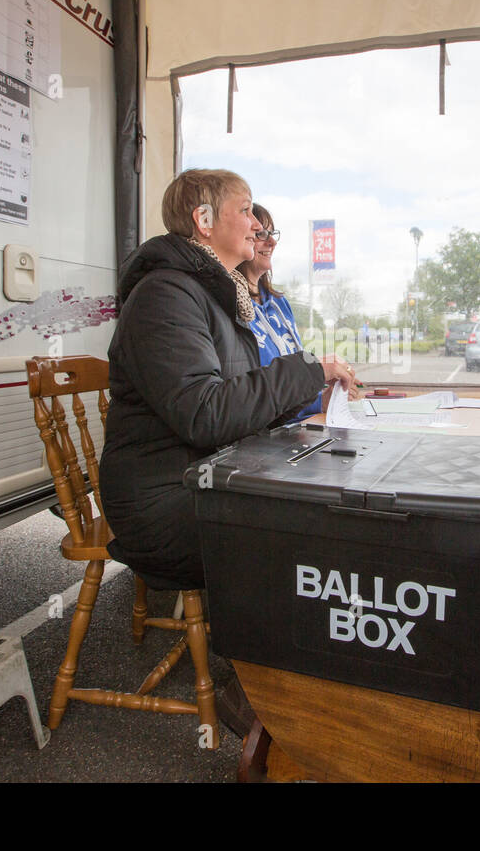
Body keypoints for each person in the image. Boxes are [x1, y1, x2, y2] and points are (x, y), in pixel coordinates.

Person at [100, 169, 358, 589]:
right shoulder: (165, 296)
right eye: (245, 210)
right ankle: (267, 652)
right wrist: (307, 370)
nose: (257, 225)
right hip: (165, 501)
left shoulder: (216, 297)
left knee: (338, 496)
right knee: (327, 522)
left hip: (209, 475)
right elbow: (206, 415)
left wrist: (310, 387)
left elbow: (240, 404)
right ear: (204, 221)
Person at [237, 203, 348, 419]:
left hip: (295, 426)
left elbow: (292, 383)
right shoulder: (229, 305)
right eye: (261, 234)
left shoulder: (280, 304)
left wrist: (323, 400)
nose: (272, 242)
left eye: (272, 233)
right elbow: (249, 396)